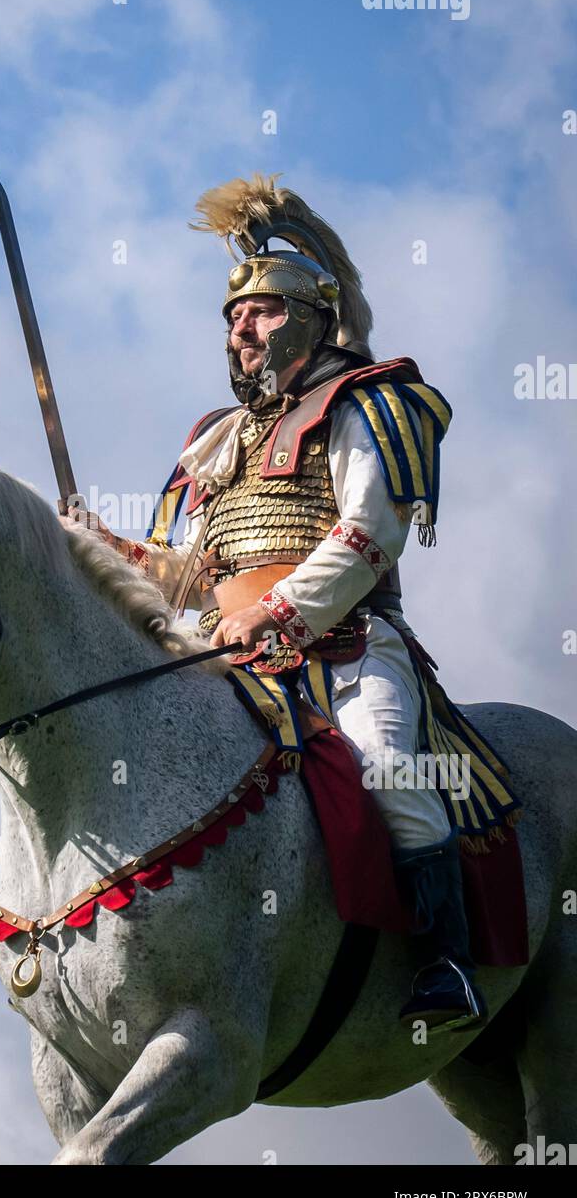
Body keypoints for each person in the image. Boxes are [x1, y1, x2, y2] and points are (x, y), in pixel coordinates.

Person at [61, 174, 509, 1034]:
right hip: (230, 655)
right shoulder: (216, 440)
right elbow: (191, 574)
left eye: (262, 313)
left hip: (346, 644)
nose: (241, 330)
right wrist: (108, 548)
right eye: (233, 319)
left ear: (308, 317)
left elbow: (367, 533)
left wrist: (274, 613)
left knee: (388, 768)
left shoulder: (362, 401)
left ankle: (447, 965)